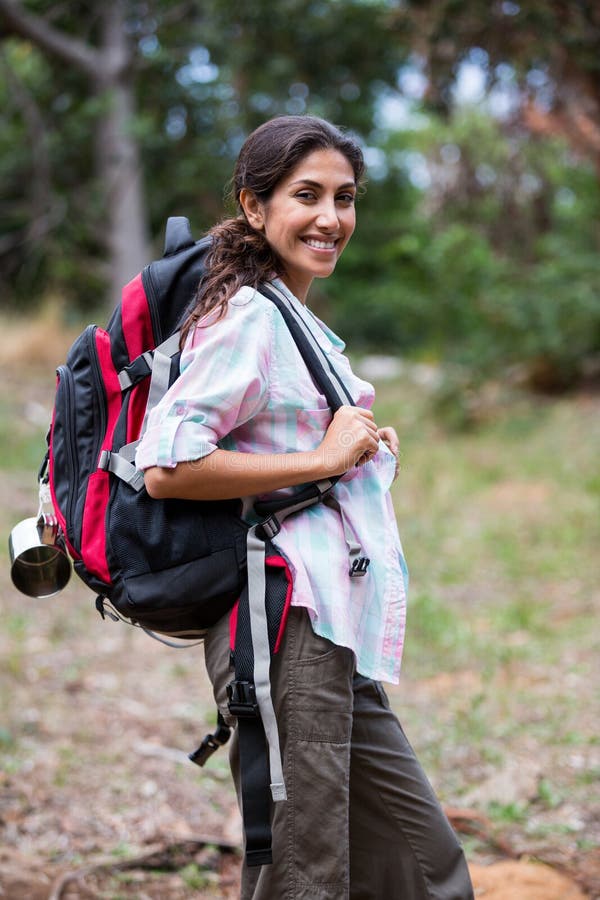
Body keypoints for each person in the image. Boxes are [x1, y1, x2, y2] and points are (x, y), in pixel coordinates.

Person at [135, 115, 474, 900]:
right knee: (303, 874)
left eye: (345, 198)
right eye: (306, 195)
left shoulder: (297, 322)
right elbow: (167, 463)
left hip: (328, 623)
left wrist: (349, 452)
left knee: (424, 869)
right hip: (282, 625)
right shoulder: (248, 315)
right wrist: (322, 457)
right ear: (254, 207)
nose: (332, 218)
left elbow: (270, 447)